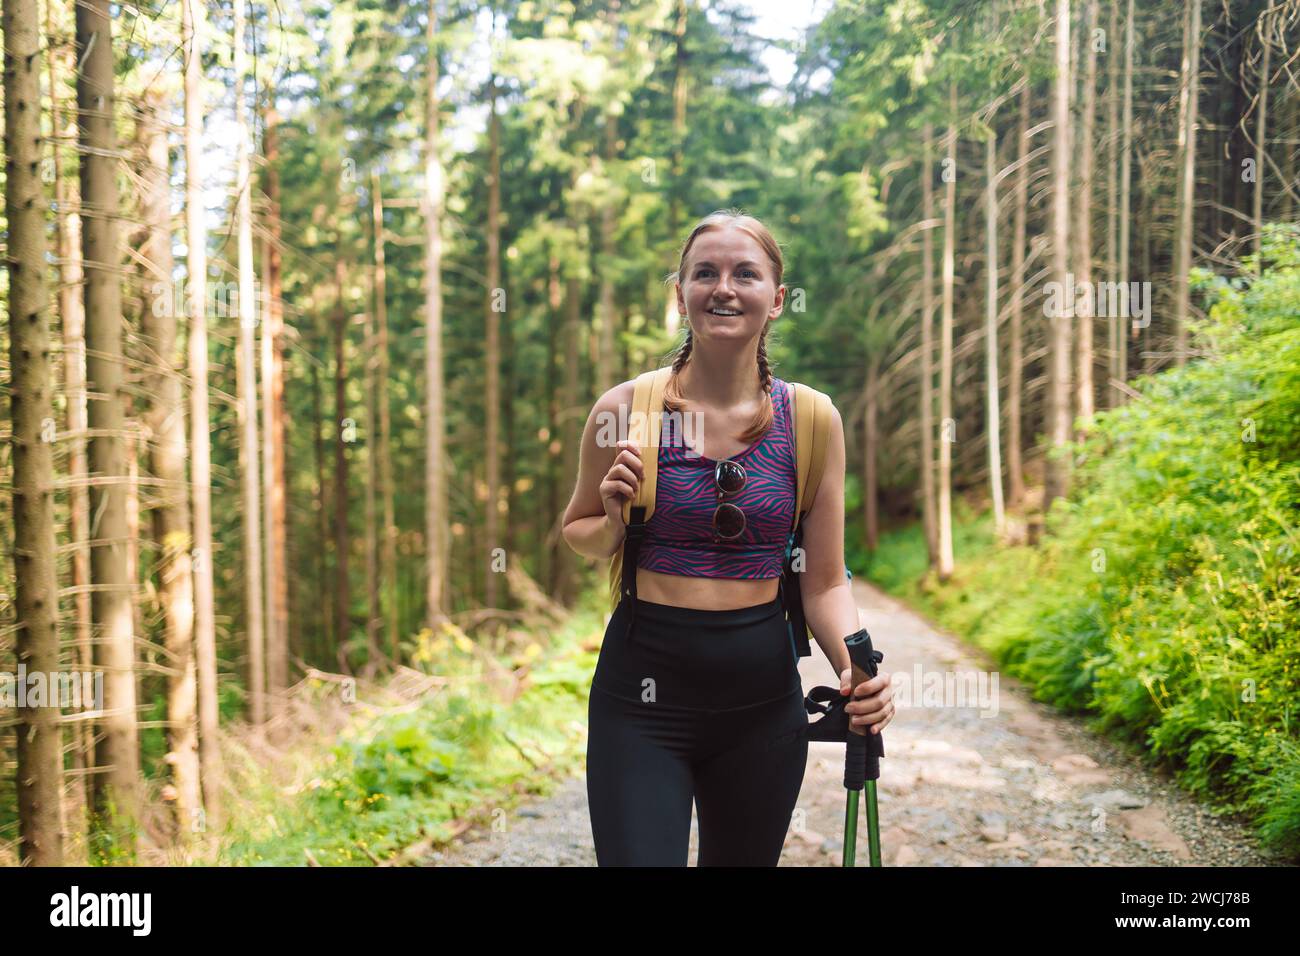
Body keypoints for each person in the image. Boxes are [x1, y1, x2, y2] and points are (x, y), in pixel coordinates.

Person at [561, 208, 895, 866]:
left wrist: (855, 666)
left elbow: (824, 579)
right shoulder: (626, 410)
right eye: (704, 273)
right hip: (641, 701)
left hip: (761, 707)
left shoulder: (812, 420)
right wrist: (612, 513)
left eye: (746, 273)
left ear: (775, 298)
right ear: (679, 292)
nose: (724, 287)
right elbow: (581, 535)